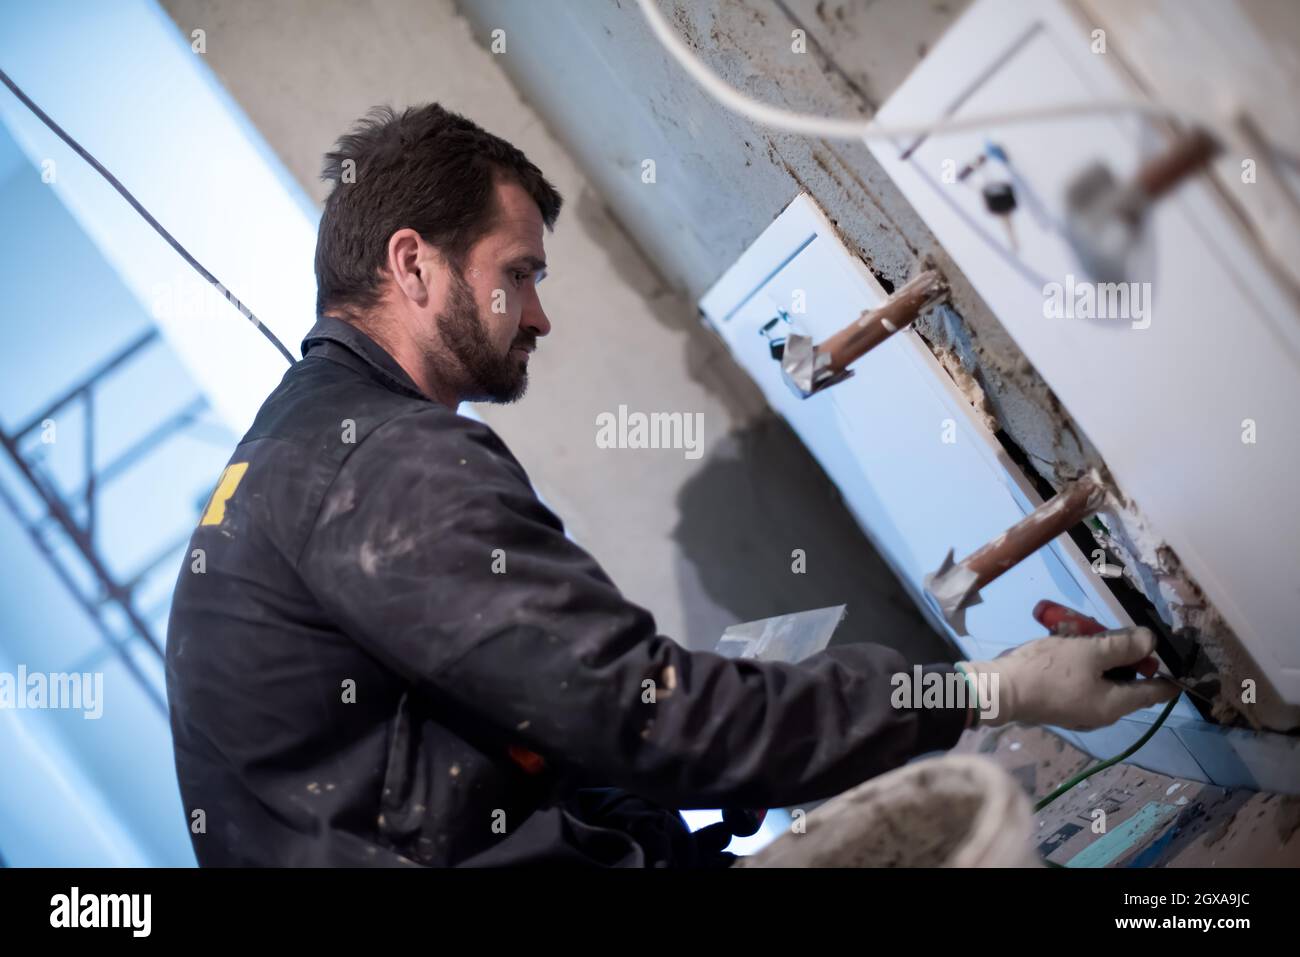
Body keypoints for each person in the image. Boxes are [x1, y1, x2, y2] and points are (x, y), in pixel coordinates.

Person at [166, 103, 1176, 868]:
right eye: (518, 274)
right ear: (413, 265)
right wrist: (992, 689)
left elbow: (502, 750)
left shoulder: (297, 459)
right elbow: (647, 714)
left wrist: (660, 801)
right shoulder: (386, 466)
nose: (538, 317)